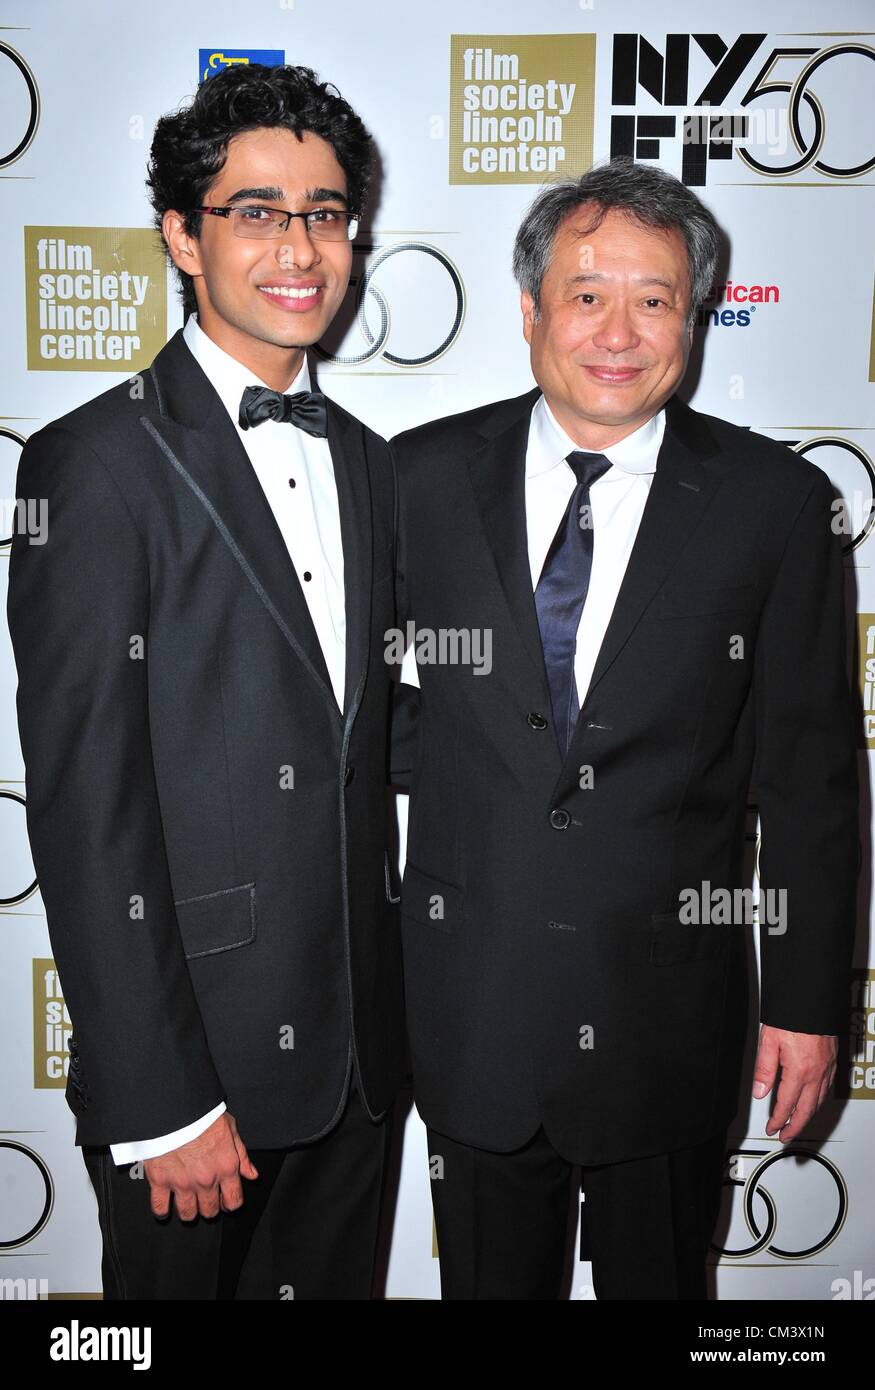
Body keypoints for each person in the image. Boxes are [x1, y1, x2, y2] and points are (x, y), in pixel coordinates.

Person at [390, 157, 859, 1300]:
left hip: (666, 1018)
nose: (617, 330)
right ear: (527, 309)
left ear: (693, 317)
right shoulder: (412, 480)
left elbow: (808, 773)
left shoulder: (775, 504)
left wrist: (804, 1003)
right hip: (472, 1011)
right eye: (585, 292)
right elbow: (362, 719)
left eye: (653, 299)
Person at [7, 62, 407, 1300]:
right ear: (181, 234)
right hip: (194, 1077)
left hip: (356, 1064)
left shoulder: (376, 469)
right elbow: (86, 813)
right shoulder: (92, 463)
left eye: (325, 213)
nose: (300, 248)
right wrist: (161, 1095)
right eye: (255, 211)